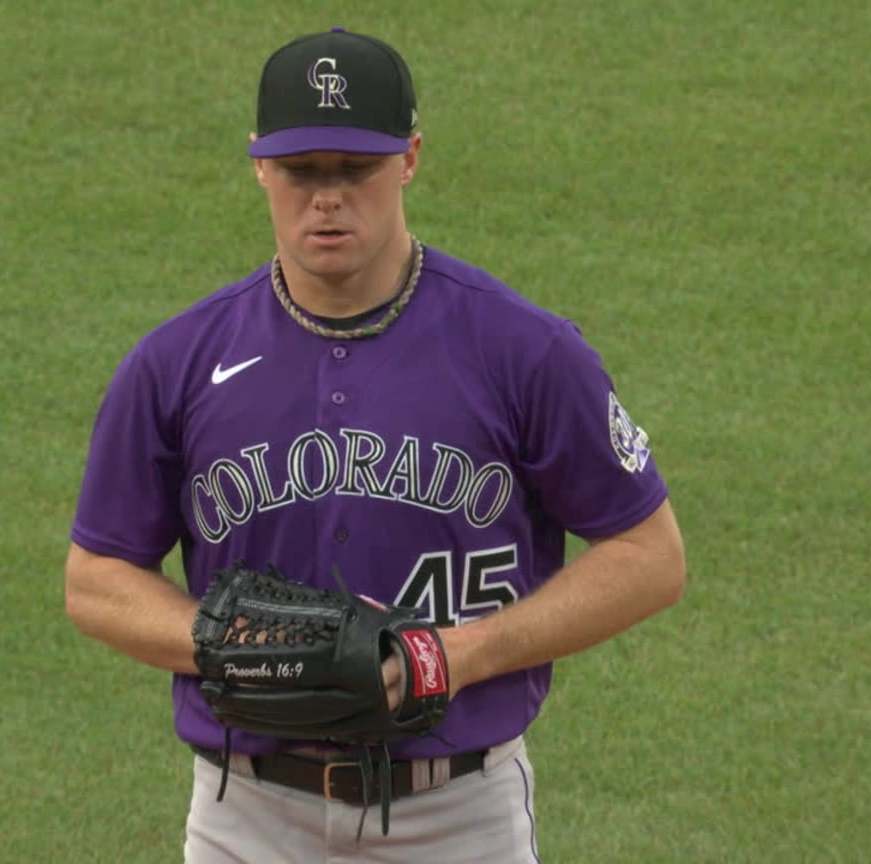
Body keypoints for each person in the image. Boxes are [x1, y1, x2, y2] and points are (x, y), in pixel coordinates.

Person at [65, 26, 686, 863]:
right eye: (301, 171)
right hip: (246, 817)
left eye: (354, 170)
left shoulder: (523, 350)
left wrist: (452, 657)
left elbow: (651, 555)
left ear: (411, 158)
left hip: (457, 818)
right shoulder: (177, 362)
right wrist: (230, 646)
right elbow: (95, 580)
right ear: (258, 163)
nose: (328, 198)